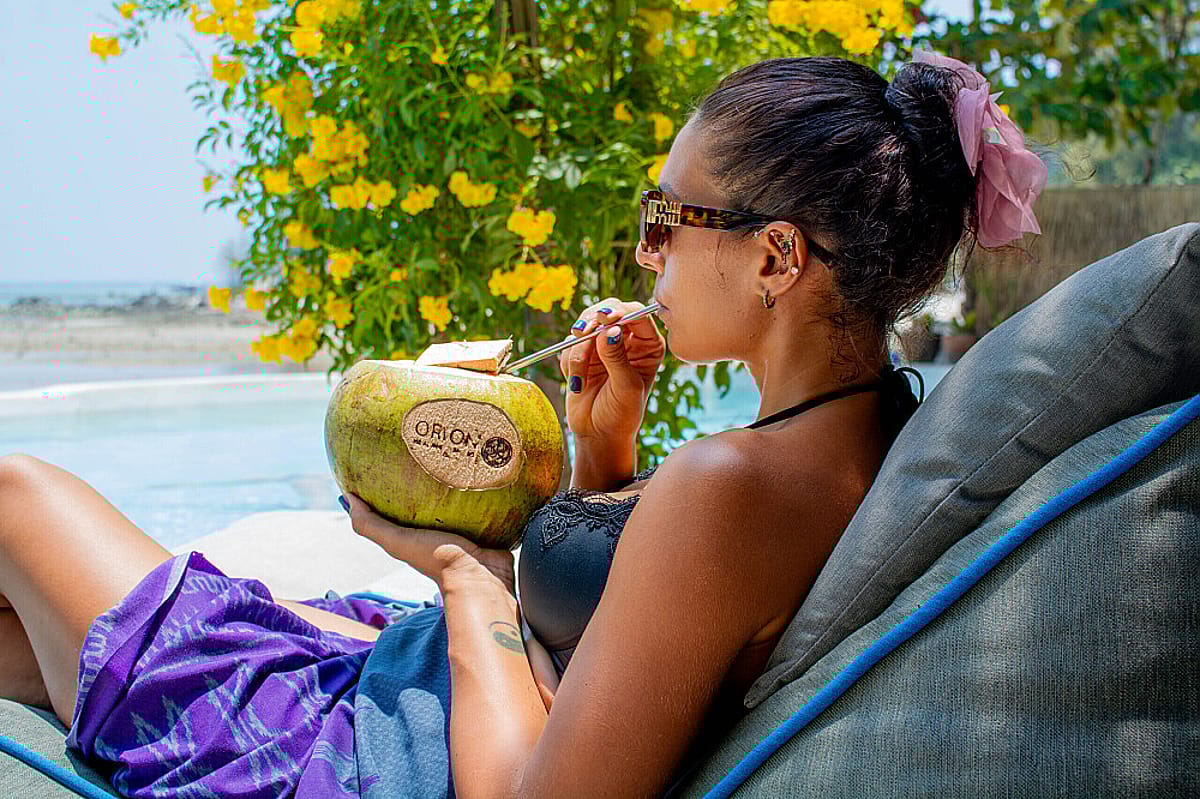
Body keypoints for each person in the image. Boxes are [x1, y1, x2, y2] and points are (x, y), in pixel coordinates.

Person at [0, 53, 1044, 798]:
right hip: (418, 691)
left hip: (373, 751)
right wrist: (606, 451)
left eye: (665, 223)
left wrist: (460, 569)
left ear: (776, 257)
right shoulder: (863, 430)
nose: (647, 258)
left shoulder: (733, 481)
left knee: (18, 495)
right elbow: (650, 627)